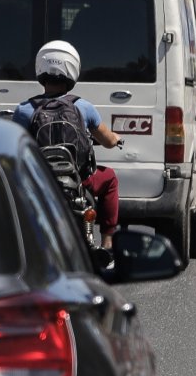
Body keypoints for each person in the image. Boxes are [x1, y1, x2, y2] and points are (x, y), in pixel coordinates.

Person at [11, 40, 121, 241]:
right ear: (73, 69)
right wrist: (116, 139)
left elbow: (13, 149)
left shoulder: (24, 110)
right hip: (80, 181)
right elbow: (108, 141)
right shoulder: (84, 107)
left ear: (40, 68)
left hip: (40, 180)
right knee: (110, 178)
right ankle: (108, 241)